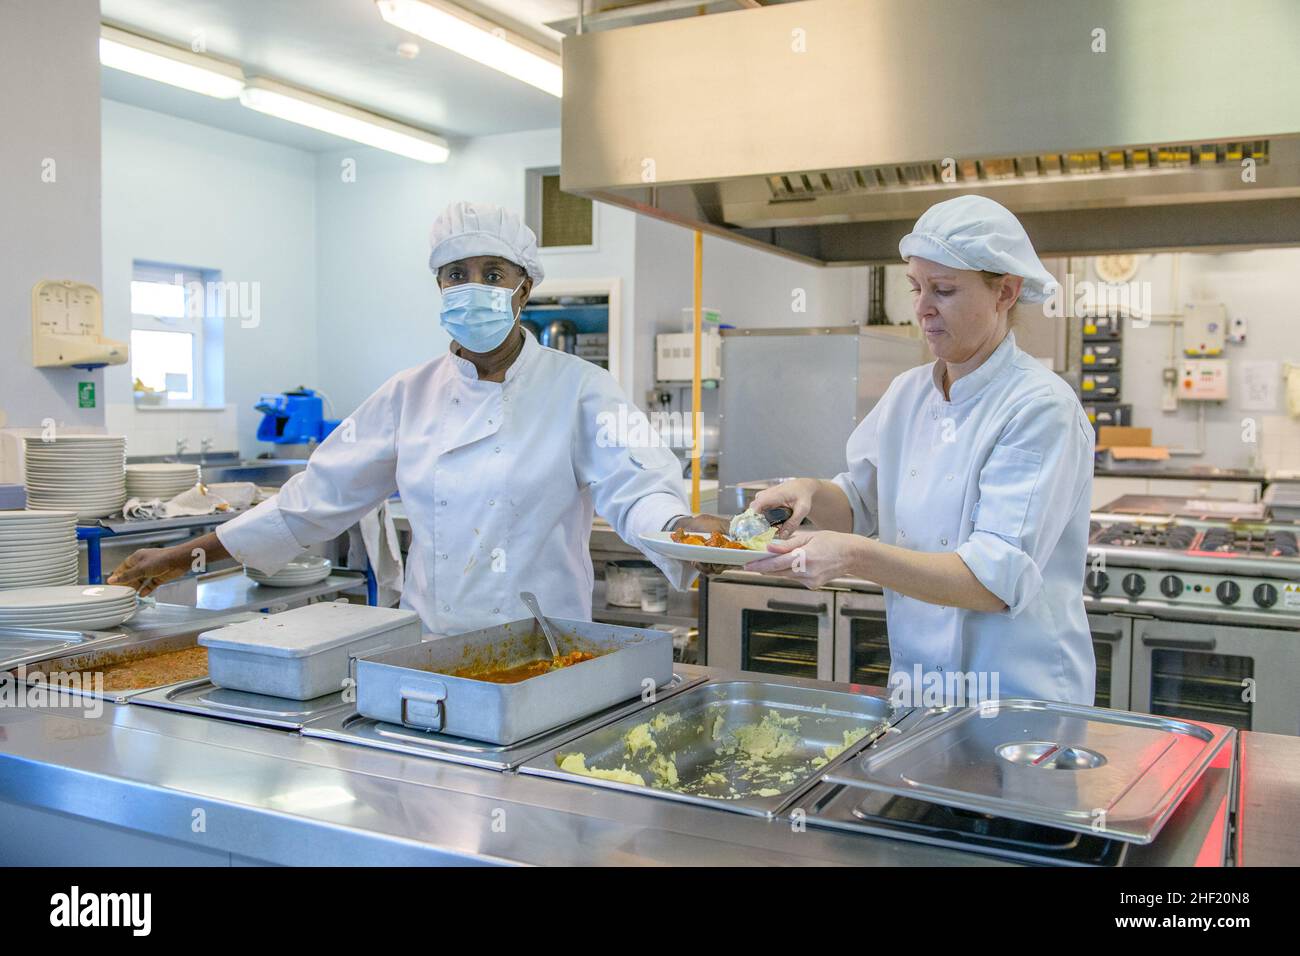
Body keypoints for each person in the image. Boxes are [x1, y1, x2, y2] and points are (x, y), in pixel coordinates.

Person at [110, 201, 724, 633]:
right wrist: (181, 555)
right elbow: (313, 502)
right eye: (458, 275)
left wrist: (680, 525)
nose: (473, 287)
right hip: (431, 645)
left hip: (549, 649)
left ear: (523, 290)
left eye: (493, 274)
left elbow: (636, 486)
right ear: (438, 285)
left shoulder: (581, 390)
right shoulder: (407, 395)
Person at [745, 195, 1095, 705]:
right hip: (920, 691)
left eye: (944, 290)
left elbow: (994, 582)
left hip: (1020, 698)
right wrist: (809, 491)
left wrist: (854, 557)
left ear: (1006, 291)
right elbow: (859, 504)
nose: (923, 307)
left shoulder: (1040, 408)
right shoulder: (910, 393)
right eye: (916, 287)